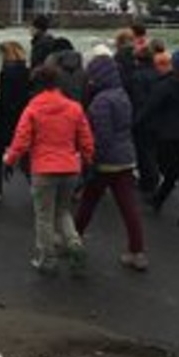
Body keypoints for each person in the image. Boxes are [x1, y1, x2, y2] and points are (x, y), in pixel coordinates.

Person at [5, 65, 95, 275]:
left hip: (44, 168)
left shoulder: (33, 109)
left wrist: (10, 161)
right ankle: (75, 244)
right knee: (63, 211)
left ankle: (47, 259)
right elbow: (85, 138)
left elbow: (21, 141)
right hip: (70, 166)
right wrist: (89, 158)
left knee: (44, 216)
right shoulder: (74, 108)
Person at [76, 55, 148, 271]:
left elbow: (102, 136)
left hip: (106, 161)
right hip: (125, 158)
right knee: (129, 208)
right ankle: (137, 251)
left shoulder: (101, 101)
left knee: (88, 202)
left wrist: (91, 160)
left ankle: (73, 239)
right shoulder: (121, 95)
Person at [138, 48, 179, 229]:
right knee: (176, 169)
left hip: (171, 135)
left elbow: (150, 108)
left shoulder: (166, 86)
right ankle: (158, 200)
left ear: (174, 64)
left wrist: (135, 124)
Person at [0, 41, 31, 185]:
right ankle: (33, 184)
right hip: (22, 113)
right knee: (25, 151)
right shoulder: (26, 70)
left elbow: (4, 97)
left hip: (6, 115)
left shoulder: (6, 72)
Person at [130, 46, 162, 195]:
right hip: (157, 118)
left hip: (142, 119)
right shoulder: (159, 74)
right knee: (152, 151)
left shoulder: (137, 76)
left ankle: (149, 182)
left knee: (143, 153)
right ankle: (152, 180)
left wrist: (135, 121)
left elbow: (137, 100)